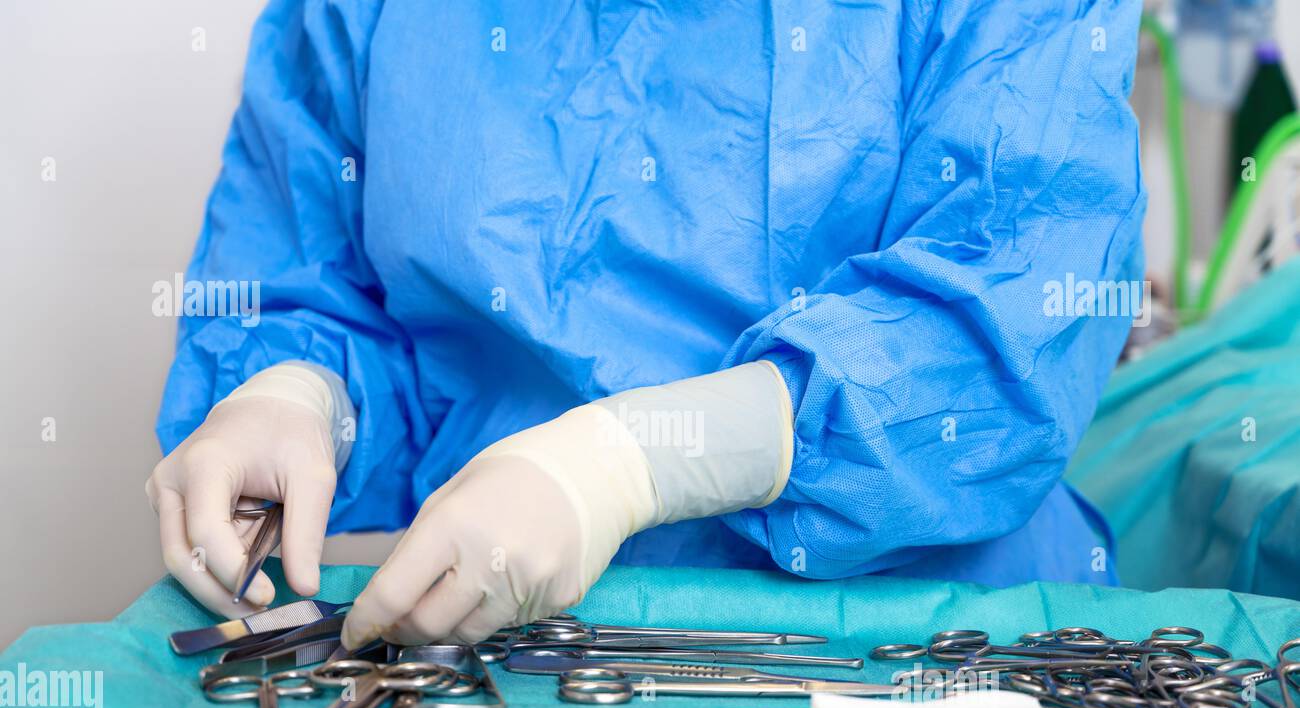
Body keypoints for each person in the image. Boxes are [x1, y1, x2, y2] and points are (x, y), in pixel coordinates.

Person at [147, 0, 1146, 649]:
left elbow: (999, 330)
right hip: (513, 646)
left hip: (921, 645)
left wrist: (626, 465)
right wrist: (294, 394)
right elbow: (336, 287)